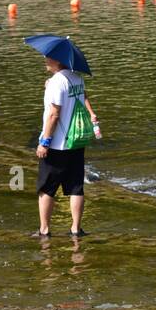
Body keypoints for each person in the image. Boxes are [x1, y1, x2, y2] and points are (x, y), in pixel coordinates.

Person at [35, 54, 100, 238]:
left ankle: (44, 230)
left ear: (58, 60)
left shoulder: (57, 82)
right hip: (76, 142)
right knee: (76, 187)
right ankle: (76, 229)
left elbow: (54, 115)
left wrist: (44, 142)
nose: (45, 60)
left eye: (48, 57)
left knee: (47, 188)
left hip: (57, 143)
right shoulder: (77, 78)